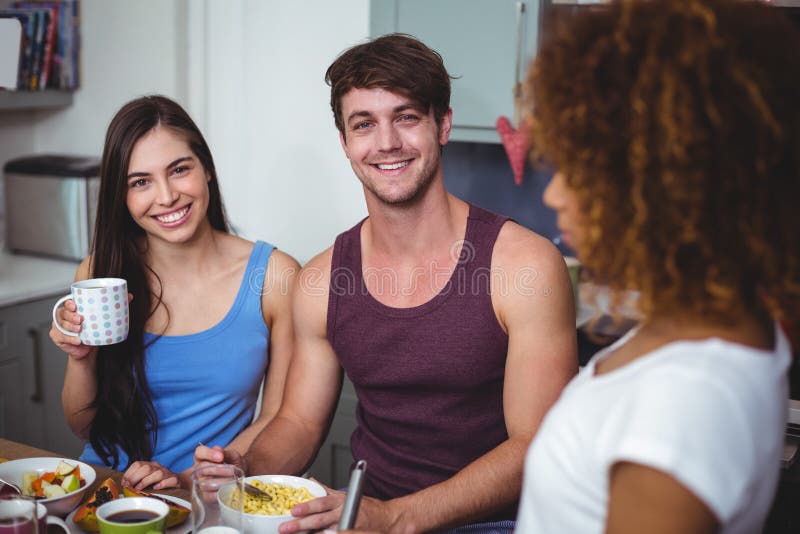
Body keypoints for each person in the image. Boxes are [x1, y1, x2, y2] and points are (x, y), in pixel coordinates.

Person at [196, 34, 578, 533]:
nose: (387, 143)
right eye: (364, 124)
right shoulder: (321, 281)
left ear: (442, 124)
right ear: (345, 143)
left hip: (499, 523)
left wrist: (398, 518)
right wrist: (245, 467)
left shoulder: (524, 265)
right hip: (368, 515)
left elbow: (537, 444)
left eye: (406, 117)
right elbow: (300, 423)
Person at [516, 0, 800, 532]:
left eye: (580, 170)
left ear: (668, 186)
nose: (554, 194)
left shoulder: (684, 404)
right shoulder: (717, 316)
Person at [49, 95, 299, 490]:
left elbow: (279, 417)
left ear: (207, 171)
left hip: (205, 499)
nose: (166, 197)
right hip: (105, 492)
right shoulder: (100, 274)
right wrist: (81, 358)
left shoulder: (274, 277)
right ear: (122, 195)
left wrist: (188, 479)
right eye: (141, 182)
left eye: (179, 169)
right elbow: (85, 428)